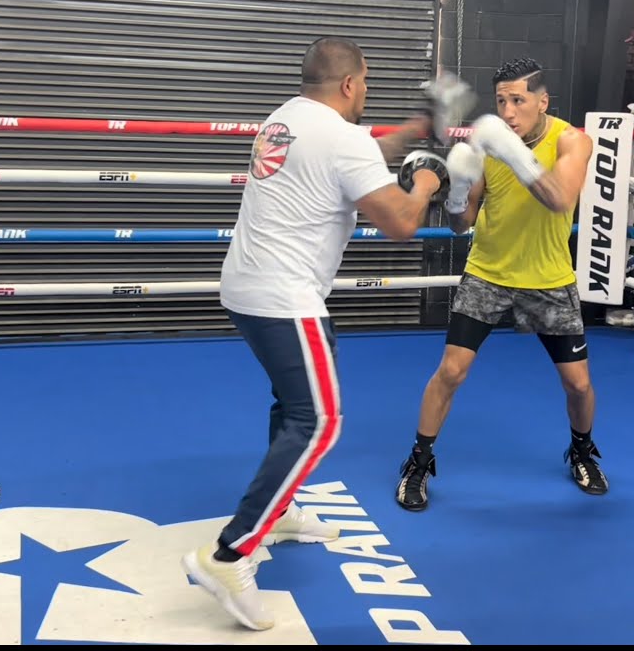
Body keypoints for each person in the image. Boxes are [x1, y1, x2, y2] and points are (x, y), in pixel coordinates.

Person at [181, 36, 473, 632]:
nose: (366, 93)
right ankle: (231, 555)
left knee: (291, 404)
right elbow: (397, 223)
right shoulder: (341, 139)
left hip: (247, 287)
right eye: (365, 83)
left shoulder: (286, 118)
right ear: (348, 85)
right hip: (282, 295)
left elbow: (361, 152)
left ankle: (281, 511)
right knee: (318, 419)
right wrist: (426, 181)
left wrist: (416, 129)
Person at [394, 56, 607, 513]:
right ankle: (418, 462)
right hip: (489, 272)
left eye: (518, 100)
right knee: (450, 371)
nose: (508, 112)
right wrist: (454, 190)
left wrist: (510, 151)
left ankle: (582, 449)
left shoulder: (572, 141)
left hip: (549, 279)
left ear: (542, 101)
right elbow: (460, 225)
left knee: (578, 385)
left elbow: (561, 199)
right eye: (500, 101)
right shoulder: (485, 147)